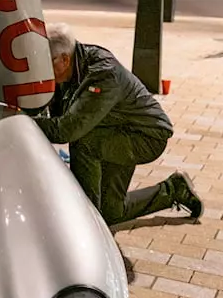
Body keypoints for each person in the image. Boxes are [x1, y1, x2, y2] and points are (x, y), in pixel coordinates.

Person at [34, 23, 203, 226]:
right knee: (112, 212)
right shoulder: (70, 64)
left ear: (64, 58)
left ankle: (86, 219)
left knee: (83, 141)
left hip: (144, 136)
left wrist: (21, 122)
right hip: (114, 128)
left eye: (46, 63)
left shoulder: (102, 74)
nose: (43, 71)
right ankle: (174, 190)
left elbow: (66, 130)